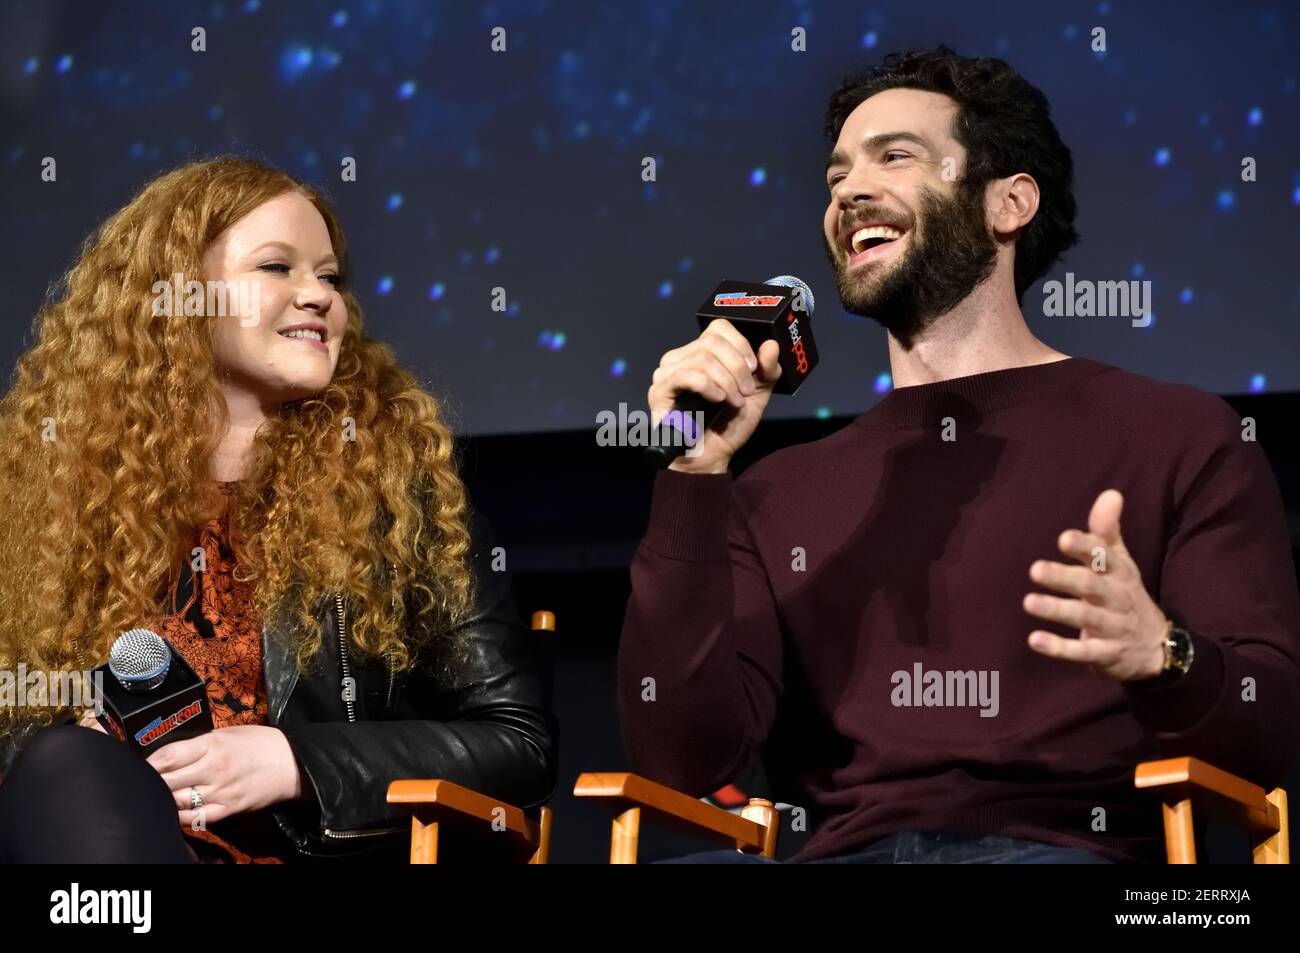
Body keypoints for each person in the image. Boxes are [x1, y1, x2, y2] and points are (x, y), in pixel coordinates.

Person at [619, 46, 1300, 864]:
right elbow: (685, 763)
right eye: (835, 177)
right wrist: (695, 467)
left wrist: (1162, 653)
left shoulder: (1179, 436)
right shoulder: (774, 492)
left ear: (1008, 204)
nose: (847, 193)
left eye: (894, 156)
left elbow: (1270, 732)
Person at [0, 156, 557, 863]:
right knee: (64, 765)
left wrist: (297, 761)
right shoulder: (53, 501)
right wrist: (79, 737)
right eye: (277, 268)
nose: (320, 296)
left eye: (327, 277)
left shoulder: (396, 498)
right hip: (110, 837)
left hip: (304, 851)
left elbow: (518, 744)